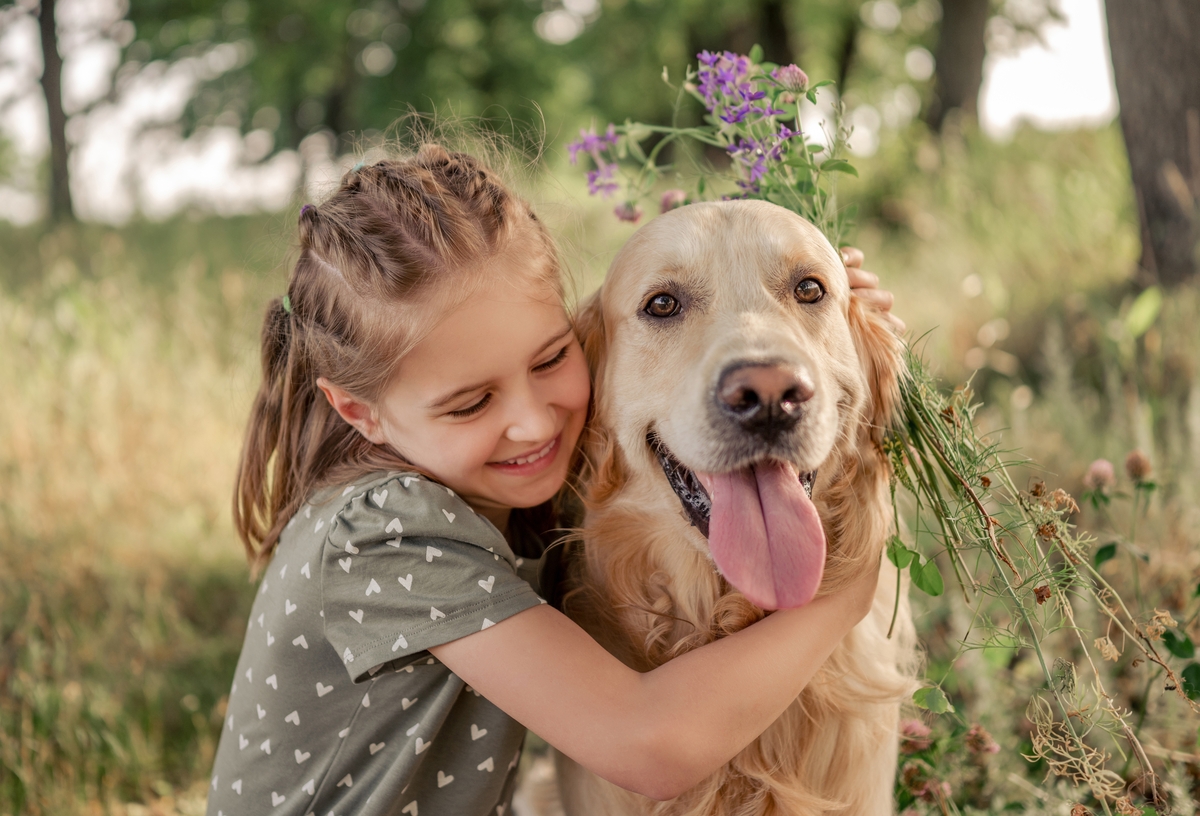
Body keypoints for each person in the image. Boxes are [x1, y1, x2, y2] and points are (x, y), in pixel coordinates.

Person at [206, 144, 900, 816]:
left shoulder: (511, 488)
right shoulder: (385, 532)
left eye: (548, 362)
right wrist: (845, 594)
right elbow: (650, 745)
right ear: (362, 413)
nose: (536, 426)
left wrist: (830, 310)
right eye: (471, 402)